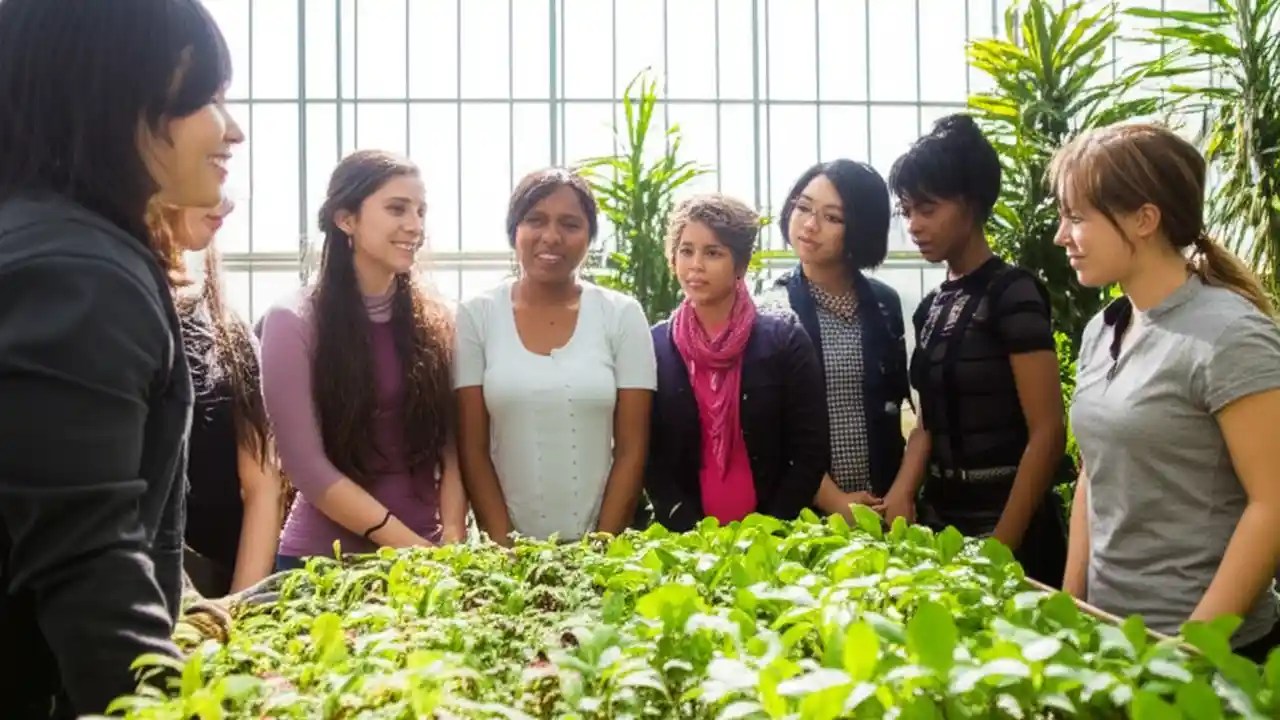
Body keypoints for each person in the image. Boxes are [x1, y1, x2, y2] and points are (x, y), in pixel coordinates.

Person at [0, 1, 242, 716]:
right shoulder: (78, 271)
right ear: (116, 97)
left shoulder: (49, 238)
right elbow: (89, 575)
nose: (233, 128)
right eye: (207, 98)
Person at [1053, 123, 1280, 661]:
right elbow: (1094, 471)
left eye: (1078, 217)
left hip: (1211, 653)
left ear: (1144, 219)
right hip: (1113, 637)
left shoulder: (1228, 334)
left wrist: (1189, 649)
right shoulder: (1102, 329)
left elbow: (1271, 504)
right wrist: (1068, 604)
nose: (1063, 235)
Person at [259, 150, 467, 570]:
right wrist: (412, 550)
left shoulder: (440, 319)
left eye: (420, 211)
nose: (415, 225)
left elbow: (452, 449)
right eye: (397, 209)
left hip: (429, 562)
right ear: (345, 219)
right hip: (322, 564)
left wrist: (453, 542)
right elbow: (307, 469)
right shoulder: (292, 321)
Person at [883, 114, 1068, 585]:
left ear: (971, 204)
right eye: (906, 212)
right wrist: (904, 490)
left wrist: (1000, 549)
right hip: (941, 519)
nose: (915, 226)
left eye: (928, 209)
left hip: (1012, 523)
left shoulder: (1013, 293)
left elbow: (1047, 431)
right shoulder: (931, 306)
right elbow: (929, 422)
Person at [455, 168, 655, 545]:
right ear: (514, 230)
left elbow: (632, 449)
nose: (551, 237)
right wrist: (505, 550)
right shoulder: (476, 315)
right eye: (535, 220)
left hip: (600, 547)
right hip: (506, 552)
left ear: (589, 237)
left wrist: (601, 548)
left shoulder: (622, 314)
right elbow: (473, 449)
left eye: (570, 224)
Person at [647, 193, 829, 531]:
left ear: (741, 265)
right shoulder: (656, 346)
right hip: (686, 540)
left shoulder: (784, 340)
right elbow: (650, 455)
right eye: (686, 251)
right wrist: (686, 529)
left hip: (775, 536)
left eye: (713, 252)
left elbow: (810, 450)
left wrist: (771, 529)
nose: (696, 264)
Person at [757, 160, 910, 522]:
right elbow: (770, 425)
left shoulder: (885, 305)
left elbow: (914, 411)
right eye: (803, 207)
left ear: (861, 228)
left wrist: (899, 494)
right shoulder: (770, 309)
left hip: (883, 506)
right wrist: (835, 501)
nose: (810, 225)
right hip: (803, 511)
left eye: (833, 218)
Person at [149, 198, 282, 597]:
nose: (226, 203)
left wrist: (237, 608)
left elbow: (261, 486)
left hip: (214, 578)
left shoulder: (227, 329)